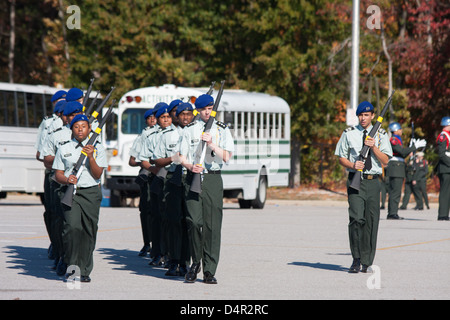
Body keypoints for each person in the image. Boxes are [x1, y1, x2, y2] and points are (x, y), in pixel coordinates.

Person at [178, 94, 234, 284]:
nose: (206, 112)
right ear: (198, 110)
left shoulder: (221, 130)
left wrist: (211, 144)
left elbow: (227, 156)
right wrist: (189, 166)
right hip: (193, 177)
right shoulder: (189, 130)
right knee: (193, 222)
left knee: (212, 226)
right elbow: (181, 157)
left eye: (209, 108)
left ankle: (209, 270)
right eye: (203, 109)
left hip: (212, 179)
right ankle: (196, 261)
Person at [335, 101, 392, 273]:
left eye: (366, 115)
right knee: (356, 219)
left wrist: (373, 147)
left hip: (374, 182)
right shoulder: (349, 133)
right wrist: (353, 165)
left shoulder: (381, 134)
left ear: (373, 116)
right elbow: (340, 157)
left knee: (371, 222)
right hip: (355, 180)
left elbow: (386, 161)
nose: (363, 118)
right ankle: (356, 259)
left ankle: (367, 260)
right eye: (360, 115)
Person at [53, 114, 108, 282]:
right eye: (76, 127)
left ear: (89, 129)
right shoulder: (64, 148)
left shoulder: (97, 147)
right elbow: (57, 174)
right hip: (72, 192)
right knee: (71, 228)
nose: (80, 130)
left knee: (88, 231)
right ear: (72, 129)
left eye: (84, 126)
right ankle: (72, 266)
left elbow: (98, 174)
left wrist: (90, 157)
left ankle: (84, 270)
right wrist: (67, 179)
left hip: (91, 192)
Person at [129, 109, 157, 256]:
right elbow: (132, 161)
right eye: (149, 118)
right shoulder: (143, 135)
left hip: (160, 174)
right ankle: (147, 243)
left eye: (154, 117)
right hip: (147, 176)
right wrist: (145, 163)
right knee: (145, 211)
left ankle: (159, 247)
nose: (152, 120)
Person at [386, 122, 426, 219]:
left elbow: (403, 153)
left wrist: (411, 146)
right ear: (395, 130)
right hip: (396, 166)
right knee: (395, 192)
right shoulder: (394, 140)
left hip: (397, 166)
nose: (401, 131)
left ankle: (392, 212)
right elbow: (402, 152)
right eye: (400, 129)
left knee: (396, 192)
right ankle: (392, 213)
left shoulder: (397, 140)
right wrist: (414, 146)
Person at [436, 116, 450, 221]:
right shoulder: (443, 136)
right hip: (446, 167)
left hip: (448, 167)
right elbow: (441, 154)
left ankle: (445, 213)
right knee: (445, 191)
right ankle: (442, 214)